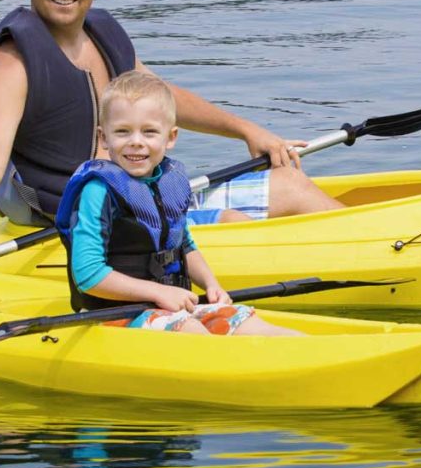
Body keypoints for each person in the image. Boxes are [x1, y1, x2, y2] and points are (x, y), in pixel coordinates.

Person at [0, 0, 343, 289]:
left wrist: (247, 131)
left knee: (289, 184)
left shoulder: (103, 35)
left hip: (139, 193)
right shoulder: (14, 62)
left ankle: (367, 244)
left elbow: (161, 99)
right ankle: (368, 252)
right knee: (240, 221)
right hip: (90, 216)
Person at [58, 72, 299, 336]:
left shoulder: (169, 182)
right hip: (112, 315)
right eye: (122, 131)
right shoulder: (97, 192)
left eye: (149, 132)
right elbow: (88, 275)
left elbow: (184, 246)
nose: (136, 141)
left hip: (169, 305)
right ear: (103, 138)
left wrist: (211, 284)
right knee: (191, 330)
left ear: (170, 137)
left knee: (243, 319)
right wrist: (160, 292)